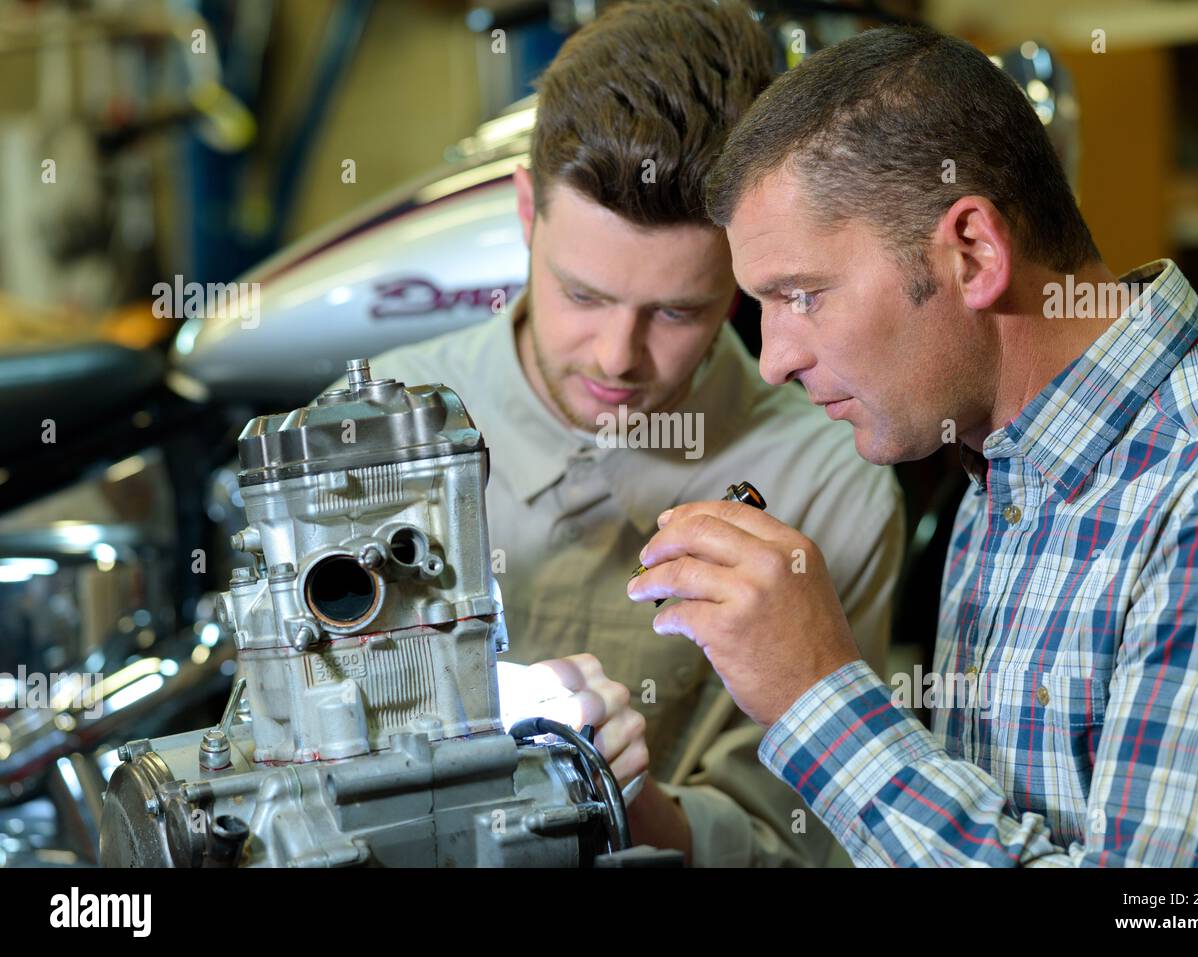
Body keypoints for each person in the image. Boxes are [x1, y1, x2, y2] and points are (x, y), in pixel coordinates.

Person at [629, 24, 1198, 866]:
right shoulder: (1003, 459)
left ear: (974, 252)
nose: (773, 361)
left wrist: (818, 696)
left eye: (803, 295)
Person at [330, 0, 903, 866]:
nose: (617, 356)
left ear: (748, 268)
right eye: (584, 295)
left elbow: (794, 847)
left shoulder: (828, 487)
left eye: (677, 310)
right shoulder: (373, 431)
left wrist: (627, 798)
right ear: (527, 211)